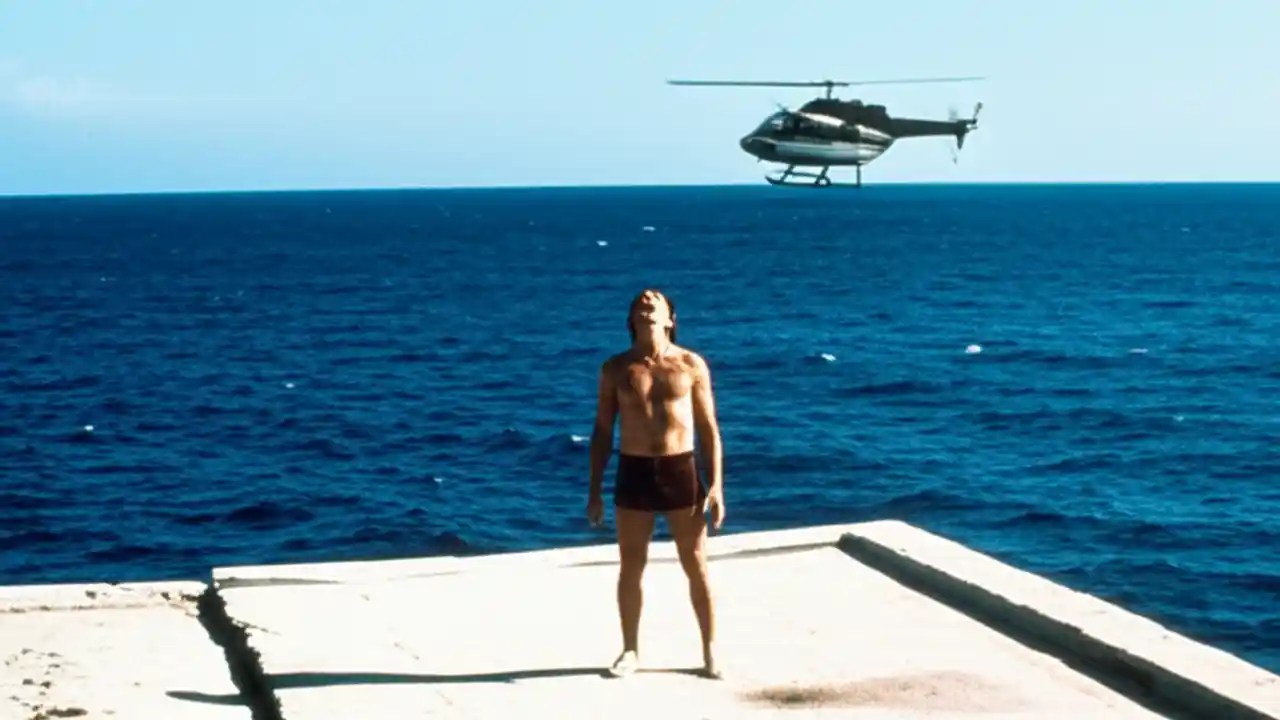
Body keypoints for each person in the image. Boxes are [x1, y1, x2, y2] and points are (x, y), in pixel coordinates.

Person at [586, 288, 725, 680]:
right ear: (631, 320)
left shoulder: (690, 364)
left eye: (656, 302)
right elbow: (601, 431)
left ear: (670, 319)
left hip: (680, 470)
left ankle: (710, 650)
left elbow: (708, 427)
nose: (647, 303)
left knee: (696, 565)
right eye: (640, 304)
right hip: (634, 472)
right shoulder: (615, 369)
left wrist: (716, 485)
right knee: (631, 566)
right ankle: (630, 650)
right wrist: (593, 490)